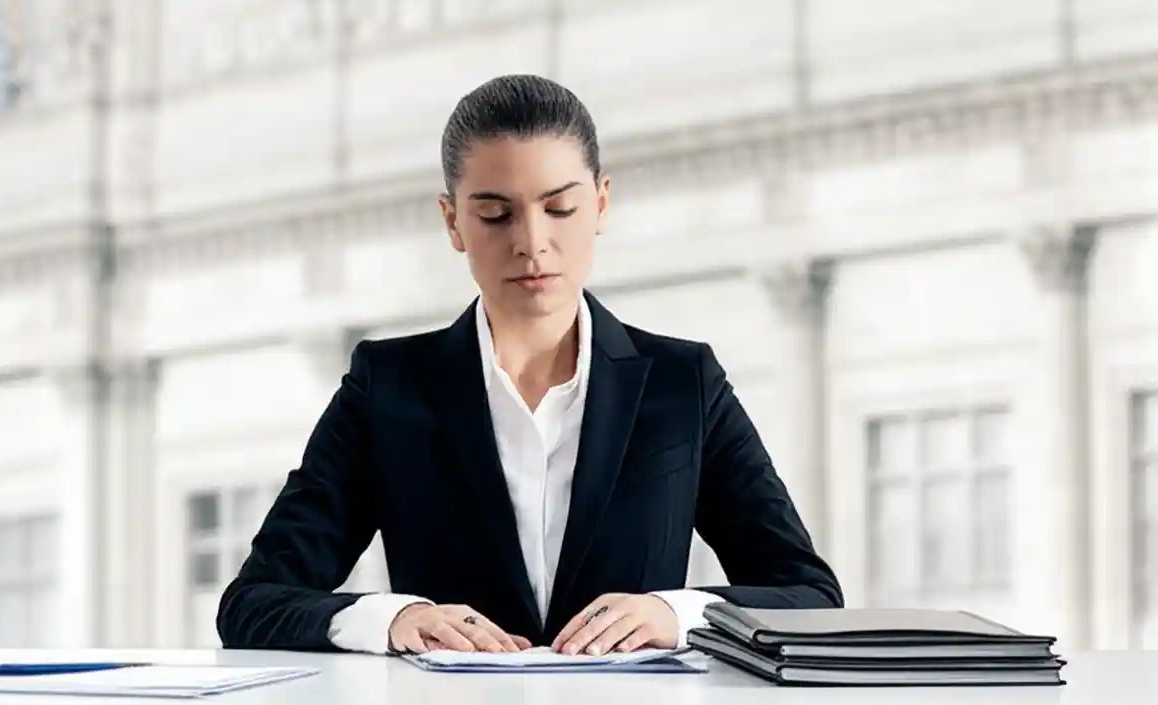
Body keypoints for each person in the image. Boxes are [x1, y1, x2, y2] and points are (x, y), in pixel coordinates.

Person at [217, 74, 841, 656]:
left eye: (560, 209)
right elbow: (253, 603)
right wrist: (393, 619)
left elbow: (809, 597)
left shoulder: (684, 383)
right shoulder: (388, 389)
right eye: (495, 214)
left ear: (601, 203)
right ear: (452, 222)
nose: (531, 242)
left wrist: (674, 615)